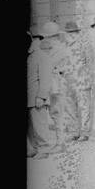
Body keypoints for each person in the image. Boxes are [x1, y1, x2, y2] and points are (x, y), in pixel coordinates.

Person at [28, 22, 62, 156]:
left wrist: (41, 96)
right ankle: (34, 149)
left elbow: (46, 78)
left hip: (37, 97)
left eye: (36, 39)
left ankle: (44, 149)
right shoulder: (32, 55)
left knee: (40, 125)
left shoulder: (41, 55)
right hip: (31, 96)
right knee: (33, 127)